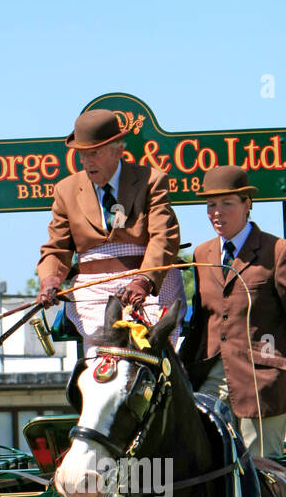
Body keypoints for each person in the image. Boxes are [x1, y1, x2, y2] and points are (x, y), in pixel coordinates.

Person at [180, 165, 286, 458]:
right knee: (204, 469)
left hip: (263, 387)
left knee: (258, 474)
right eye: (210, 205)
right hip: (209, 381)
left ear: (247, 205)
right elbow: (202, 319)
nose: (217, 212)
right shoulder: (201, 255)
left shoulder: (281, 252)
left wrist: (274, 359)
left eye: (227, 203)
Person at [36, 108, 182, 345]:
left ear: (118, 150)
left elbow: (163, 237)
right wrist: (50, 281)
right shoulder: (66, 190)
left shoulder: (152, 181)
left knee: (151, 351)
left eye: (95, 153)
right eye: (82, 155)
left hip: (148, 285)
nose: (87, 162)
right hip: (91, 291)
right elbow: (57, 248)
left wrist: (144, 280)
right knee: (104, 359)